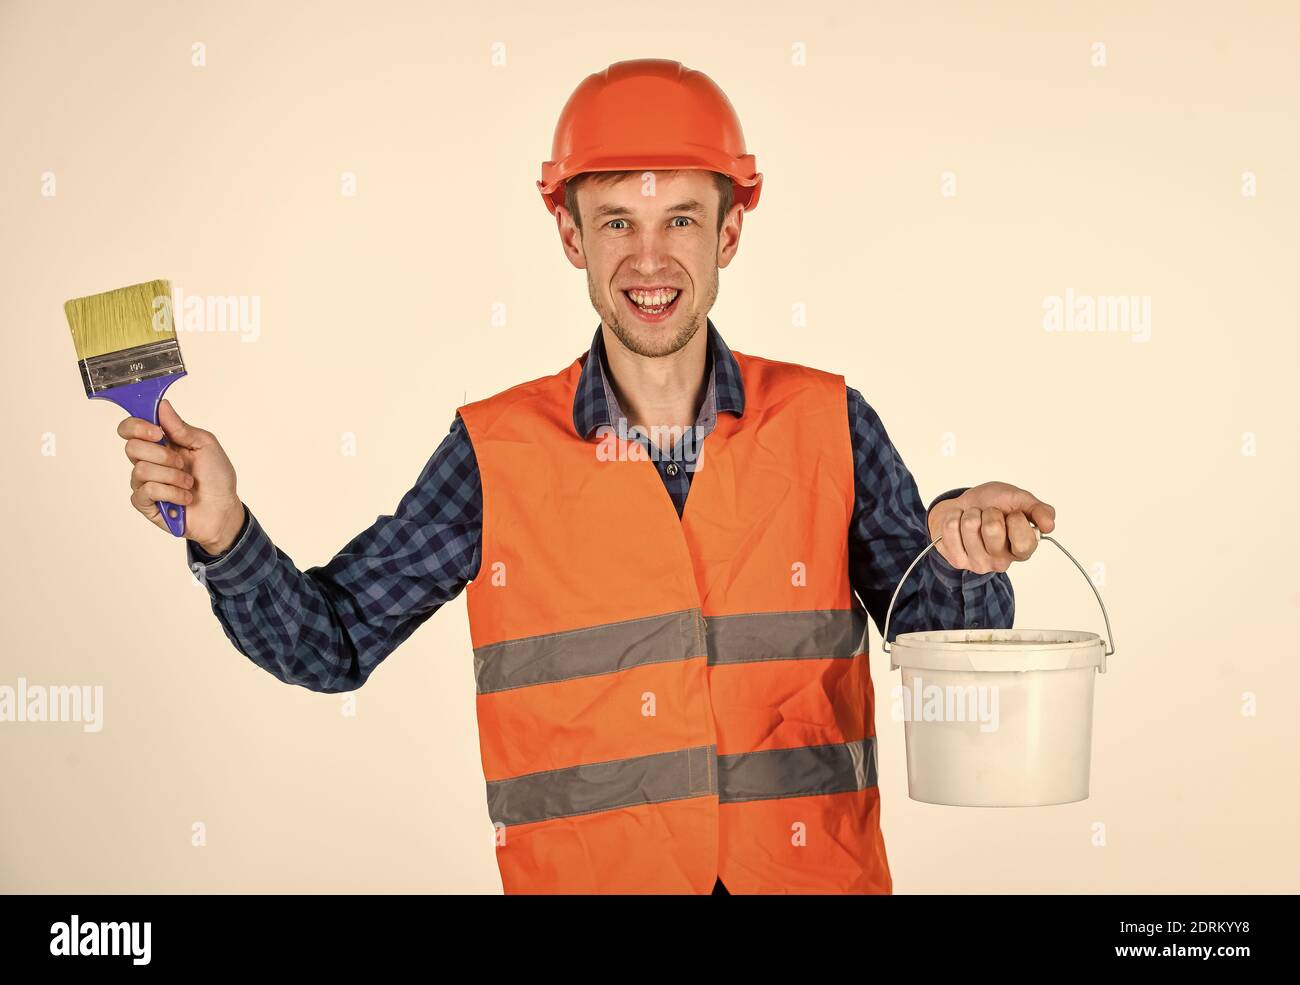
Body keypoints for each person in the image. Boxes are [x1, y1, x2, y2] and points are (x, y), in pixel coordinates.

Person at [115, 59, 1054, 894]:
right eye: (616, 222)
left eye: (680, 218)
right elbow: (331, 644)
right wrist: (225, 533)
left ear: (728, 234)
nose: (649, 258)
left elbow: (943, 648)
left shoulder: (828, 422)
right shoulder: (494, 452)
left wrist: (965, 554)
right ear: (572, 237)